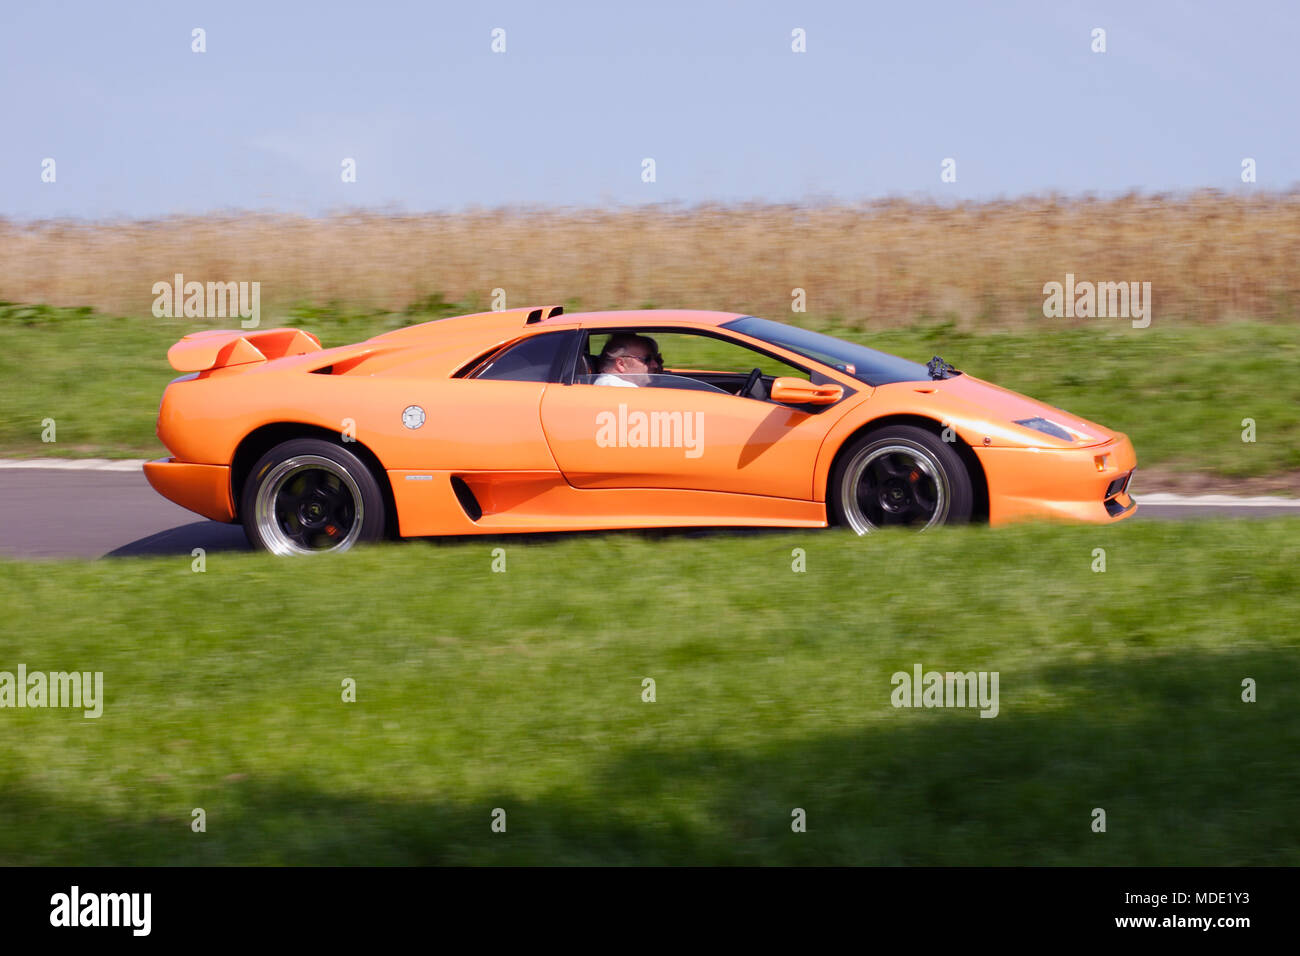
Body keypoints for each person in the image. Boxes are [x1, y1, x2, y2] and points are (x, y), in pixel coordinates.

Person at [592, 333, 663, 387]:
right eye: (647, 359)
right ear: (621, 364)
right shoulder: (619, 388)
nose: (655, 365)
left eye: (656, 359)